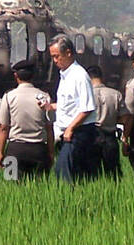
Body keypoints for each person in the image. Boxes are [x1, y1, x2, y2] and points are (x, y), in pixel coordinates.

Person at [40, 35, 98, 184]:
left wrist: (70, 128)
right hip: (70, 132)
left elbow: (87, 107)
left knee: (64, 172)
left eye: (57, 56)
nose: (55, 61)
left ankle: (70, 202)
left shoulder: (79, 76)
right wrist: (51, 106)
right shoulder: (65, 76)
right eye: (53, 57)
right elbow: (71, 104)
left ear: (68, 53)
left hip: (79, 132)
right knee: (69, 172)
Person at [0, 60, 54, 180]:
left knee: (10, 188)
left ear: (16, 75)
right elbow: (49, 128)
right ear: (33, 75)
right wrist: (51, 153)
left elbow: (3, 128)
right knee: (40, 188)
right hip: (39, 150)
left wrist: (0, 152)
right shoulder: (44, 96)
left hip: (15, 149)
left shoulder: (9, 96)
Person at [87, 65, 127, 180]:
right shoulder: (116, 94)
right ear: (101, 77)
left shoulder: (87, 95)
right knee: (114, 175)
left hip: (91, 138)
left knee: (91, 175)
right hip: (110, 138)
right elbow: (125, 118)